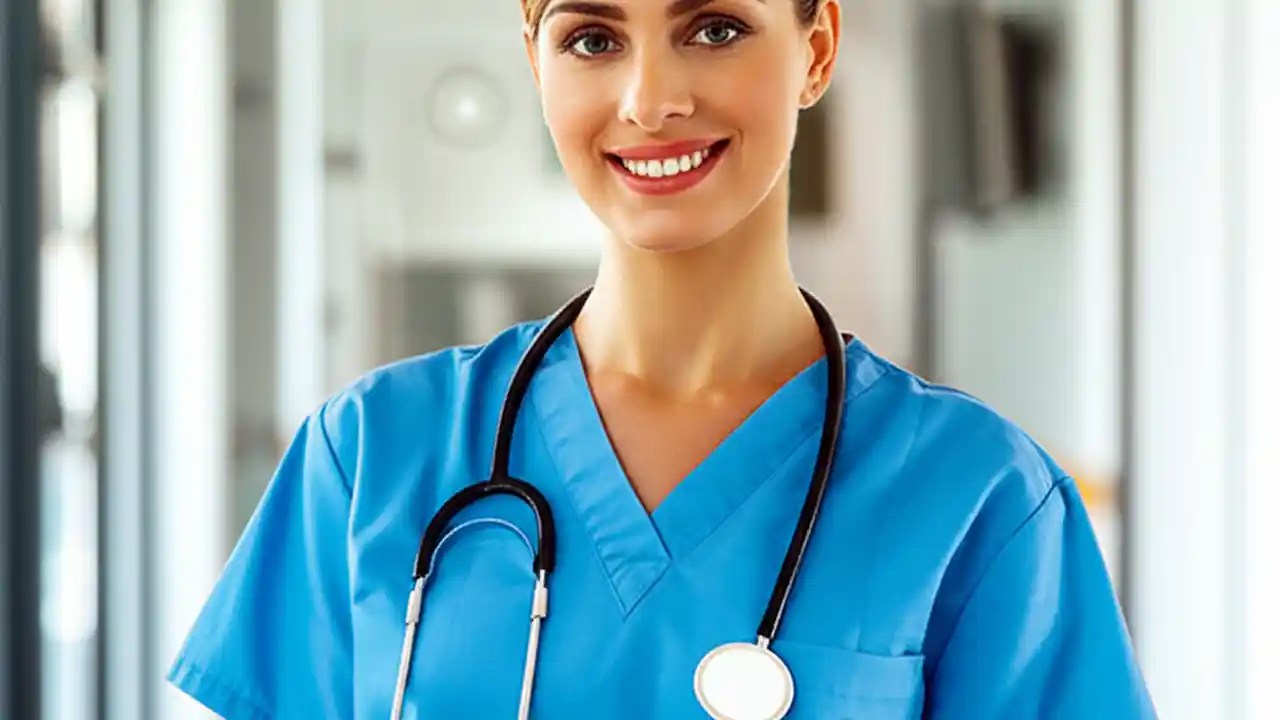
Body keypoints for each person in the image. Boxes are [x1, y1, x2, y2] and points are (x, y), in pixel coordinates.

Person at [168, 0, 1156, 717]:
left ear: (815, 49)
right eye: (592, 38)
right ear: (533, 54)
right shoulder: (372, 456)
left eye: (713, 28)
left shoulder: (976, 496)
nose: (647, 100)